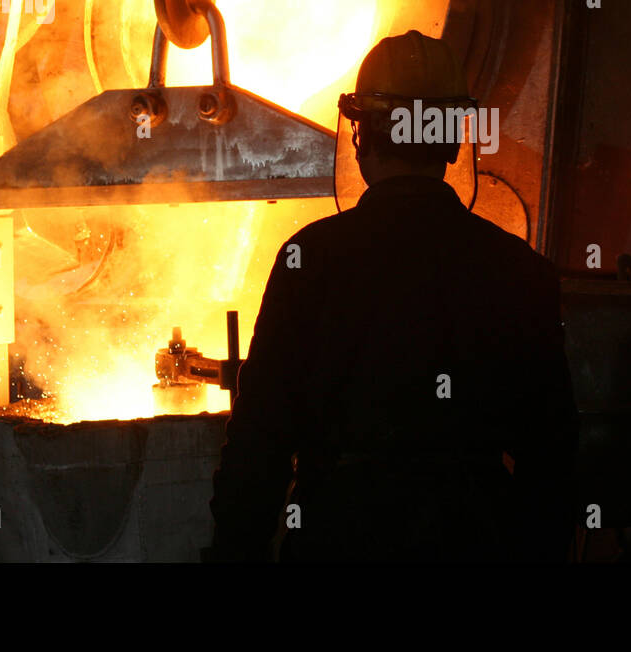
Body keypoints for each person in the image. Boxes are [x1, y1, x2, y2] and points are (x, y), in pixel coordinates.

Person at [206, 29, 578, 562]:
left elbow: (258, 445)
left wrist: (233, 553)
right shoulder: (519, 271)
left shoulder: (308, 261)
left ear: (360, 139)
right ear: (452, 140)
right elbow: (552, 460)